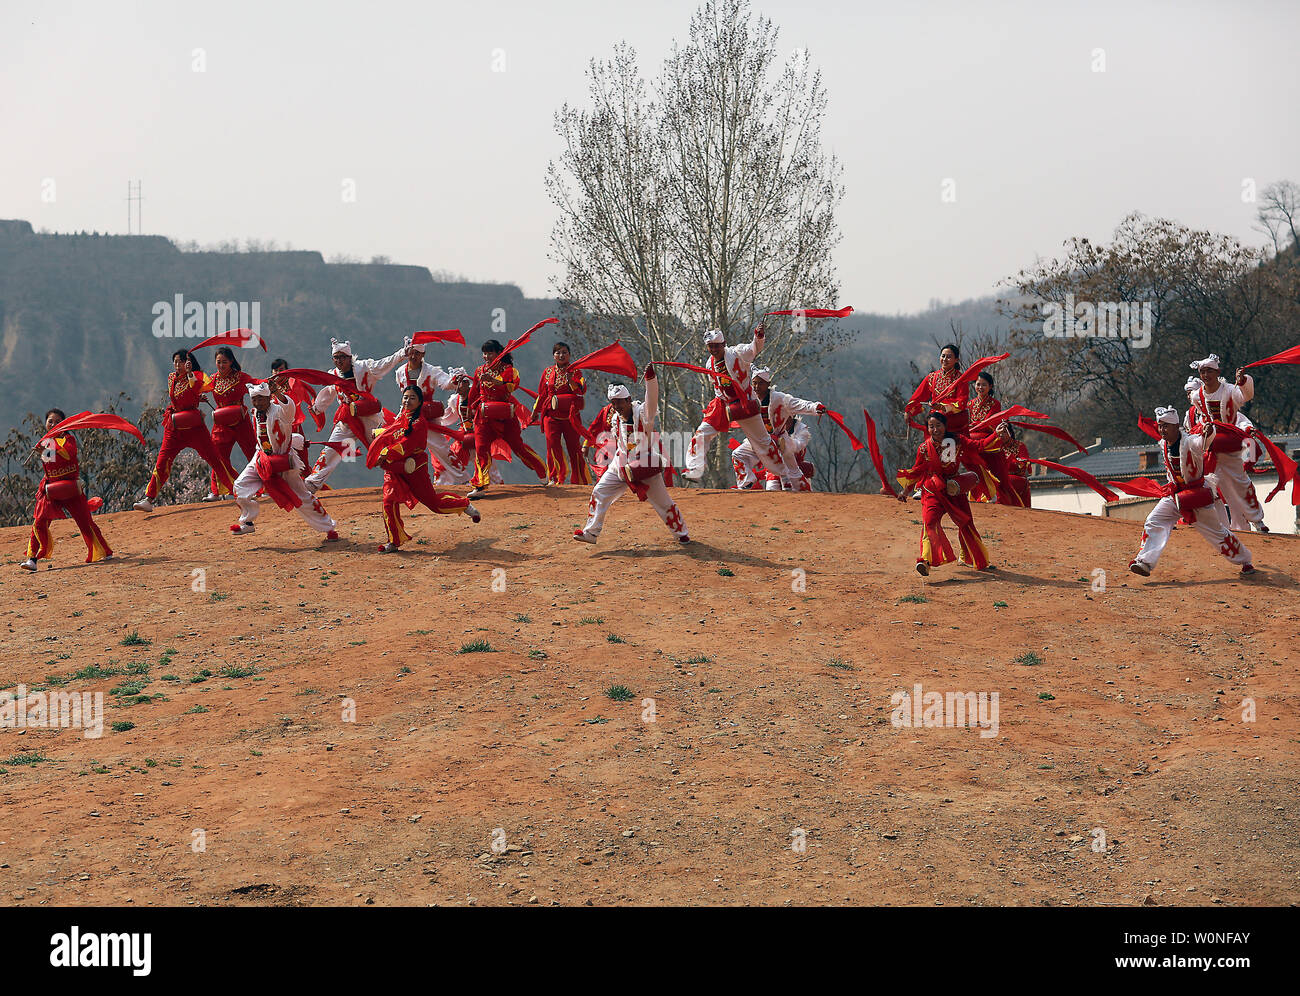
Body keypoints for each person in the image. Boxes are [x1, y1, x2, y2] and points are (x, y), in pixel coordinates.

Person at [1129, 406, 1254, 577]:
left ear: (1176, 426)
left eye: (1166, 426)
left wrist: (1208, 432)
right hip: (1175, 495)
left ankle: (1245, 560)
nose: (1162, 430)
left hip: (1197, 495)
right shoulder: (1163, 444)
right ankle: (1144, 562)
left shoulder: (1191, 442)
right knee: (1154, 520)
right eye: (1160, 426)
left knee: (1216, 533)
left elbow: (1204, 441)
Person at [574, 367, 689, 545]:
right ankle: (591, 532)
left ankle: (681, 533)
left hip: (644, 464)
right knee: (600, 491)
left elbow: (651, 398)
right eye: (613, 403)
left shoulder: (644, 414)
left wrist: (650, 378)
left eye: (620, 402)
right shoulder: (615, 418)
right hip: (620, 464)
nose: (616, 406)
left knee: (663, 502)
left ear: (628, 400)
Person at [373, 385, 481, 552]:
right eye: (405, 397)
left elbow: (406, 444)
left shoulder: (419, 423)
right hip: (396, 466)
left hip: (414, 467)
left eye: (412, 398)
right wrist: (380, 433)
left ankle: (463, 504)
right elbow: (395, 432)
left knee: (434, 504)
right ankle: (394, 541)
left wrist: (386, 453)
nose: (408, 401)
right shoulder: (403, 416)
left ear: (420, 402)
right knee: (389, 501)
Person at [682, 324, 793, 487]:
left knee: (762, 442)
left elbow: (754, 348)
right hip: (722, 403)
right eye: (710, 346)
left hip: (745, 402)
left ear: (723, 344)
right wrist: (719, 408)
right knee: (701, 433)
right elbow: (716, 386)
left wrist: (759, 336)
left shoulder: (737, 353)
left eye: (716, 346)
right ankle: (695, 469)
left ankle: (784, 475)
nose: (714, 349)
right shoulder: (709, 364)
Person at [230, 380, 339, 541]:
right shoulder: (254, 412)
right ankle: (247, 522)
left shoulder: (280, 411)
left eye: (261, 399)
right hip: (261, 458)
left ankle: (329, 528)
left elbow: (290, 409)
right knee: (240, 486)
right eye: (255, 399)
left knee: (303, 498)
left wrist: (278, 393)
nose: (258, 402)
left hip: (284, 462)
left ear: (269, 398)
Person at [133, 349, 236, 512]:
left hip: (195, 428)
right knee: (162, 461)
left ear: (188, 363)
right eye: (174, 362)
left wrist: (190, 375)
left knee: (215, 459)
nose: (176, 365)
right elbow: (182, 397)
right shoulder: (171, 378)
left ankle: (239, 490)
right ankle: (149, 499)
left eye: (179, 362)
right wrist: (195, 397)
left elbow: (199, 389)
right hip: (174, 426)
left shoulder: (197, 376)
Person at [895, 411, 995, 576]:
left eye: (938, 425)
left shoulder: (957, 440)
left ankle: (971, 558)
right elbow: (916, 472)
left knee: (966, 522)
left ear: (945, 426)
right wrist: (905, 492)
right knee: (930, 523)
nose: (935, 430)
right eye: (931, 426)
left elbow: (979, 446)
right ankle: (925, 561)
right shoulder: (923, 449)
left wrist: (996, 434)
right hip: (932, 490)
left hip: (954, 488)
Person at [304, 338, 411, 493]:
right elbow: (328, 393)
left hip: (369, 418)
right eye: (336, 357)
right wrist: (317, 408)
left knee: (383, 450)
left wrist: (402, 353)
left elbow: (384, 363)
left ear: (349, 357)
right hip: (346, 421)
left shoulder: (365, 368)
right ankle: (312, 484)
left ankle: (403, 480)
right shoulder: (333, 375)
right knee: (331, 449)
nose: (339, 361)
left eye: (342, 357)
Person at [22, 409, 113, 571]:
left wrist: (45, 452)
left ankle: (104, 551)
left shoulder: (69, 440)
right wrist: (44, 451)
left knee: (86, 523)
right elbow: (51, 464)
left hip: (70, 489)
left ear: (64, 424)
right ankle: (32, 558)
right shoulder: (45, 442)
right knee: (39, 522)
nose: (53, 424)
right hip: (51, 489)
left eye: (57, 421)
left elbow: (67, 456)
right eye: (50, 421)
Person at [1187, 354, 1267, 533]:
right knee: (1207, 485)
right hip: (1210, 446)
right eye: (1202, 371)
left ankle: (1257, 520)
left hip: (1230, 445)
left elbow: (1245, 395)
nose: (1205, 375)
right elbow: (1201, 419)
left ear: (1217, 372)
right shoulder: (1196, 396)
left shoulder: (1230, 390)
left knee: (1240, 483)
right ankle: (1210, 523)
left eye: (1209, 371)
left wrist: (1243, 381)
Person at [466, 339, 547, 499]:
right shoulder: (479, 371)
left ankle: (541, 470)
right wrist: (469, 409)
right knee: (481, 449)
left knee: (518, 447)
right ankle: (480, 485)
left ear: (498, 353)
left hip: (505, 416)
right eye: (485, 353)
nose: (486, 356)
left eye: (490, 353)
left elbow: (512, 385)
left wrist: (495, 381)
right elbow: (474, 392)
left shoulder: (509, 370)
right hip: (484, 416)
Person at [730, 367, 823, 490]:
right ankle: (746, 484)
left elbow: (799, 404)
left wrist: (815, 407)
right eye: (755, 383)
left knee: (791, 474)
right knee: (738, 454)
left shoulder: (779, 399)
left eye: (761, 383)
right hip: (757, 440)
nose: (757, 387)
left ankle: (797, 490)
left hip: (779, 442)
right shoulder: (749, 397)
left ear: (768, 384)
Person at [394, 337, 458, 479]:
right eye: (411, 352)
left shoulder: (431, 371)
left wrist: (454, 380)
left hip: (428, 417)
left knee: (442, 449)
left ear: (423, 355)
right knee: (404, 448)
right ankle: (405, 480)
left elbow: (446, 383)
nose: (413, 356)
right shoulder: (399, 372)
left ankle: (462, 478)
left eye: (417, 353)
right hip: (408, 417)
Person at [203, 346, 259, 502]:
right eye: (219, 362)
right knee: (217, 456)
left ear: (231, 361)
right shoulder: (212, 379)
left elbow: (256, 384)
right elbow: (197, 389)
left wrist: (269, 385)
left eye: (225, 362)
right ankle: (218, 490)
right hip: (221, 423)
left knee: (253, 453)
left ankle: (264, 487)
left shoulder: (241, 377)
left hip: (240, 420)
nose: (221, 365)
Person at [532, 342, 591, 485]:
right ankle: (556, 477)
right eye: (558, 352)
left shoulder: (576, 371)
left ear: (569, 355)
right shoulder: (547, 372)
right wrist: (535, 411)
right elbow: (542, 393)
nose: (561, 355)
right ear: (553, 356)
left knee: (574, 447)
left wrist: (571, 380)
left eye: (564, 352)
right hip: (551, 415)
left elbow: (581, 391)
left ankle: (580, 480)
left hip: (570, 416)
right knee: (552, 445)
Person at [905, 343, 970, 434]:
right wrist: (909, 411)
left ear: (956, 360)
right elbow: (919, 396)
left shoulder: (961, 379)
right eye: (943, 356)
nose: (944, 359)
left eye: (949, 357)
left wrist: (943, 407)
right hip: (934, 420)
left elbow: (962, 401)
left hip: (954, 423)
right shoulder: (932, 377)